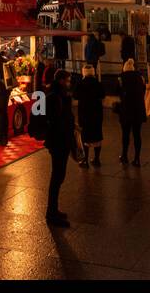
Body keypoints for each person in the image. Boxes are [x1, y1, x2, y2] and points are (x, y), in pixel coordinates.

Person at [43, 69, 76, 226]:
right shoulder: (55, 96)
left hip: (59, 140)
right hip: (59, 140)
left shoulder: (55, 94)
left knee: (58, 176)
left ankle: (53, 210)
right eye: (68, 80)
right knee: (57, 177)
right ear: (62, 80)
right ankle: (51, 213)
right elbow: (56, 119)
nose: (69, 83)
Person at [118, 58, 147, 166]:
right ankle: (137, 158)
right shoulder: (140, 78)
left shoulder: (121, 78)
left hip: (126, 110)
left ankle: (124, 156)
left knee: (125, 134)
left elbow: (118, 92)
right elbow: (143, 91)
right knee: (137, 134)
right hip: (138, 110)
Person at [75, 63, 104, 166]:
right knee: (97, 135)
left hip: (84, 113)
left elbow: (75, 96)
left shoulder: (80, 83)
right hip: (96, 113)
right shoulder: (98, 83)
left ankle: (85, 159)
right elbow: (102, 95)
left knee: (85, 136)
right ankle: (96, 158)